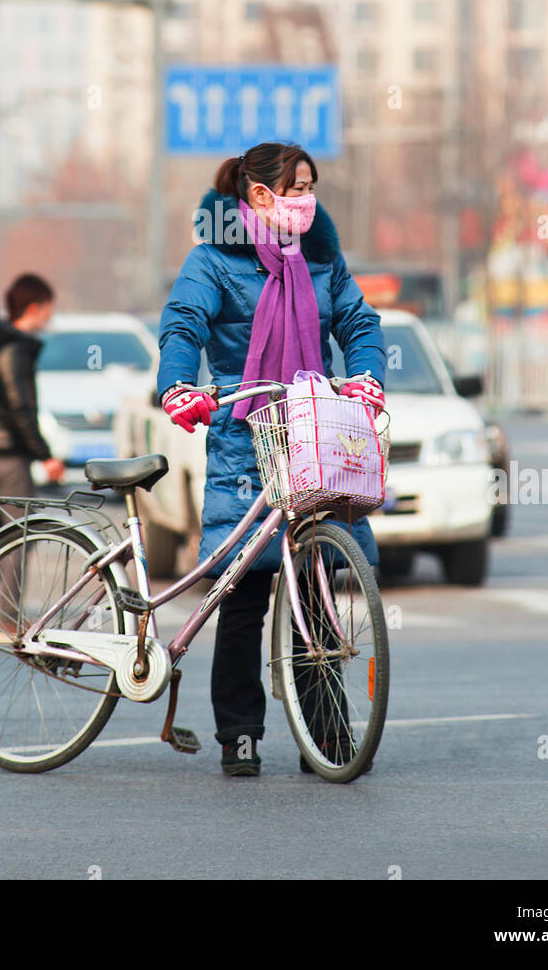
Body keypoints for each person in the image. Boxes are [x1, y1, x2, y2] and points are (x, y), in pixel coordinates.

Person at [157, 142, 386, 777]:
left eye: (312, 187)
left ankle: (327, 731)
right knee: (246, 589)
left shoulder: (323, 261)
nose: (308, 200)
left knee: (315, 585)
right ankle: (239, 733)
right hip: (246, 433)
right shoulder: (213, 261)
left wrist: (364, 375)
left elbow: (359, 326)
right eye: (297, 188)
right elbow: (183, 325)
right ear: (259, 196)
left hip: (316, 428)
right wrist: (181, 384)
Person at [0, 273, 64, 511]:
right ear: (34, 308)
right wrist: (45, 455)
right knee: (19, 538)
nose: (51, 315)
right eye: (48, 308)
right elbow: (19, 406)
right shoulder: (14, 349)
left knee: (3, 538)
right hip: (7, 456)